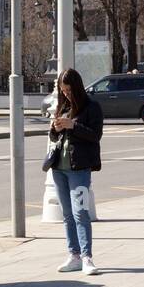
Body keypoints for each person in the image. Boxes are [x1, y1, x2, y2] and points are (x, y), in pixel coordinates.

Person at [47, 68, 104, 275]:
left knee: (80, 213)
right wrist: (56, 128)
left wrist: (73, 125)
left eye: (69, 90)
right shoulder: (63, 107)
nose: (66, 94)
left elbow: (95, 135)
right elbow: (54, 138)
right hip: (59, 169)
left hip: (79, 168)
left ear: (77, 88)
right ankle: (74, 255)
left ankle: (87, 257)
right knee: (68, 215)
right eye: (63, 91)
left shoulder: (91, 107)